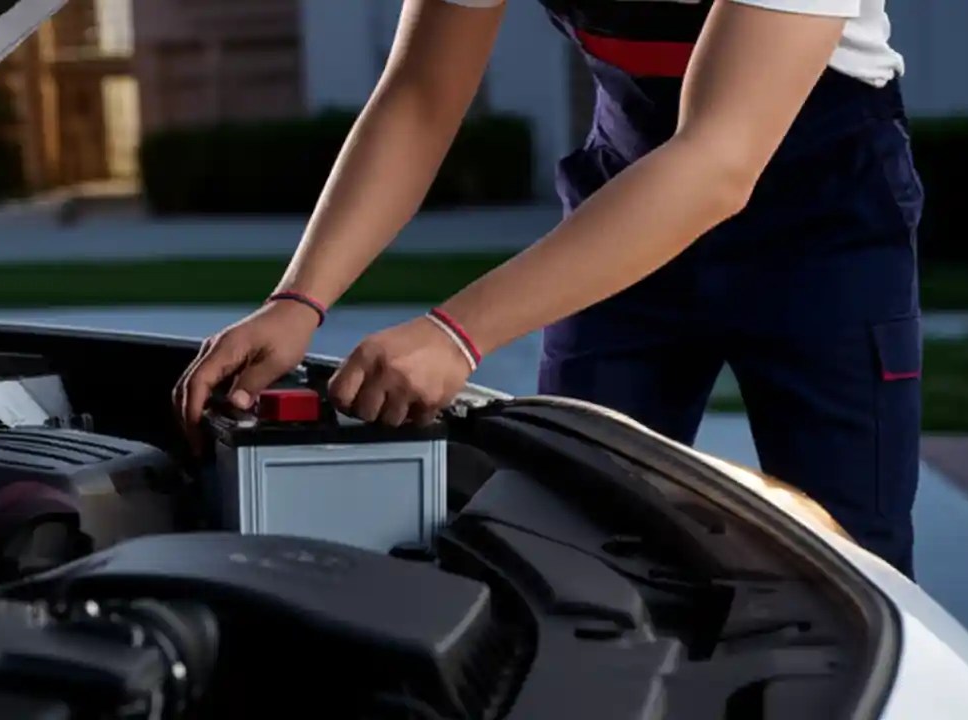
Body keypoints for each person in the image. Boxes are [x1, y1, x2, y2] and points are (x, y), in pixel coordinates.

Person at [174, 0, 924, 578]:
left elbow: (719, 159)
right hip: (622, 205)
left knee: (851, 563)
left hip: (822, 229)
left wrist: (457, 333)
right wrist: (299, 300)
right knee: (570, 538)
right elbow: (422, 94)